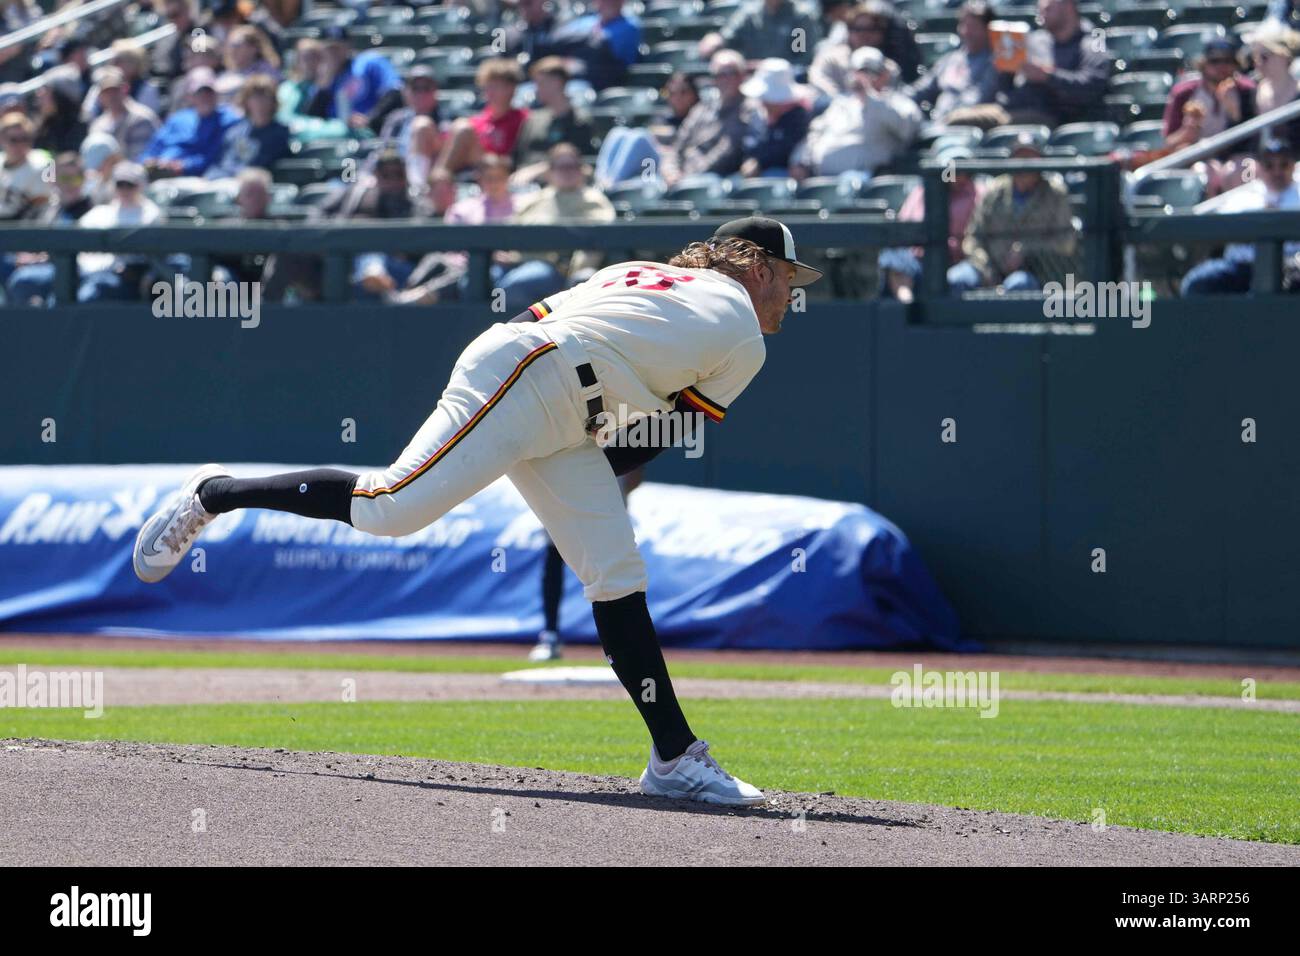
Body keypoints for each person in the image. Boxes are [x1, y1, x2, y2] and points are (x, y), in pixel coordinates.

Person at [133, 215, 824, 807]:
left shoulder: (637, 271)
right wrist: (520, 443)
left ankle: (674, 758)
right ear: (757, 267)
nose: (792, 294)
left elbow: (531, 321)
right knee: (389, 508)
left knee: (616, 570)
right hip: (537, 378)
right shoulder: (743, 336)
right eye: (789, 277)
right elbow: (662, 434)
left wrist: (545, 463)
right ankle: (215, 492)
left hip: (543, 386)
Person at [529, 467, 644, 661]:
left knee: (615, 565)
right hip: (564, 476)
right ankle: (550, 635)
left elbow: (635, 466)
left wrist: (618, 487)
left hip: (605, 481)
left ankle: (626, 642)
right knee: (555, 553)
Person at [947, 133, 1076, 293]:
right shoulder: (995, 190)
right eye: (1019, 157)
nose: (1024, 164)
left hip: (1034, 270)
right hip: (989, 267)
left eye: (1030, 158)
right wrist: (986, 267)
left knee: (1017, 285)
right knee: (957, 279)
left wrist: (1028, 250)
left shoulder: (1055, 193)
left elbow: (1066, 242)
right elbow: (973, 238)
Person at [497, 143, 615, 310]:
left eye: (572, 166)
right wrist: (502, 252)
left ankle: (520, 328)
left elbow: (595, 243)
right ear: (550, 171)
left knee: (516, 284)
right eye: (560, 167)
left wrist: (575, 275)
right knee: (475, 280)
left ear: (581, 169)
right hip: (514, 262)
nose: (567, 172)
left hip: (555, 269)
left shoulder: (593, 201)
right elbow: (510, 231)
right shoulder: (534, 199)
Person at [1181, 135, 1300, 295]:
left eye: (1283, 165)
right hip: (1242, 267)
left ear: (1293, 166)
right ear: (1260, 167)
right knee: (1197, 283)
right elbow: (1220, 230)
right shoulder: (1244, 196)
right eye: (1269, 165)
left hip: (1291, 267)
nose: (1276, 171)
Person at [792, 45, 921, 178]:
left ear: (884, 75)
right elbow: (815, 133)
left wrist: (870, 95)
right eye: (858, 72)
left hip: (865, 179)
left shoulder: (897, 101)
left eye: (870, 71)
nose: (862, 77)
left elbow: (909, 129)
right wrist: (800, 161)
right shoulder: (841, 103)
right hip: (822, 178)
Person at [877, 144, 983, 302]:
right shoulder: (922, 191)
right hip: (920, 260)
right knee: (893, 257)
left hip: (957, 260)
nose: (958, 175)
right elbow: (904, 228)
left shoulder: (978, 193)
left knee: (956, 279)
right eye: (952, 170)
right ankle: (906, 303)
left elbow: (978, 234)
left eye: (962, 169)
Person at [995, 0, 1109, 127]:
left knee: (980, 122)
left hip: (1059, 117)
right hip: (1015, 108)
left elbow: (1092, 86)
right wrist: (1006, 69)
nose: (1041, 15)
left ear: (1068, 7)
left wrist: (1047, 76)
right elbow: (1007, 89)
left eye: (1048, 9)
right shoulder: (1037, 40)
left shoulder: (1092, 42)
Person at [906, 1, 1005, 129]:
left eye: (974, 27)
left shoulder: (995, 63)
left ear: (987, 29)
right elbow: (921, 90)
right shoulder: (950, 60)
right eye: (963, 25)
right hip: (938, 126)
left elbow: (979, 98)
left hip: (968, 129)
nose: (966, 32)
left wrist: (949, 116)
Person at [74, 162, 162, 303]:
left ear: (141, 185)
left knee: (90, 293)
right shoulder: (100, 212)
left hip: (127, 278)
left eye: (130, 185)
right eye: (120, 184)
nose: (125, 189)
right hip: (89, 273)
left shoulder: (151, 213)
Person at [141, 68, 241, 178]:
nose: (205, 98)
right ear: (190, 96)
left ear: (216, 94)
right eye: (199, 93)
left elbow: (213, 156)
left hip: (191, 178)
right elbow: (154, 147)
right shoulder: (178, 119)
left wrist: (182, 166)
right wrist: (149, 161)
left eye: (209, 92)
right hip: (158, 171)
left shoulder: (227, 120)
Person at [512, 56, 597, 184]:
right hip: (525, 185)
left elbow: (580, 163)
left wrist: (539, 170)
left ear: (557, 82)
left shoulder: (580, 121)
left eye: (540, 83)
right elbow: (520, 157)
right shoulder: (533, 120)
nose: (536, 90)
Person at [809, 1, 921, 97]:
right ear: (848, 32)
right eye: (858, 29)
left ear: (881, 34)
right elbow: (819, 82)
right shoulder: (830, 59)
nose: (864, 34)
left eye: (871, 29)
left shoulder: (889, 68)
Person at [436, 58, 529, 174]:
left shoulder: (525, 119)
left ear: (511, 89)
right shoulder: (475, 121)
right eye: (487, 87)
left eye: (495, 87)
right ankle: (438, 180)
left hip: (505, 173)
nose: (489, 92)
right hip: (472, 171)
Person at [206, 74, 291, 180]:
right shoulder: (235, 132)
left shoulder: (280, 134)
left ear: (273, 102)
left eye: (265, 96)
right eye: (255, 97)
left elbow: (261, 165)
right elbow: (223, 162)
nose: (260, 102)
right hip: (226, 181)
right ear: (246, 101)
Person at [739, 58, 811, 177]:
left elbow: (784, 151)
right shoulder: (757, 115)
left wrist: (759, 162)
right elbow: (750, 146)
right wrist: (750, 161)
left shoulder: (799, 117)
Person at [699, 0, 823, 64]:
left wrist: (767, 66)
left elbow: (800, 58)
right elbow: (727, 37)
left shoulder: (799, 17)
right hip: (752, 79)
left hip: (787, 81)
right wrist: (715, 40)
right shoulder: (750, 15)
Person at [87, 66, 161, 161]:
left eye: (115, 90)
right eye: (106, 92)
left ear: (125, 89)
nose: (111, 96)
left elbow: (139, 159)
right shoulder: (98, 125)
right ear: (100, 96)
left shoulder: (141, 118)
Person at [0, 114, 54, 221]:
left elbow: (41, 206)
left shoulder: (42, 166)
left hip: (25, 229)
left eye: (25, 139)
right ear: (2, 139)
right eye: (14, 140)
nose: (20, 144)